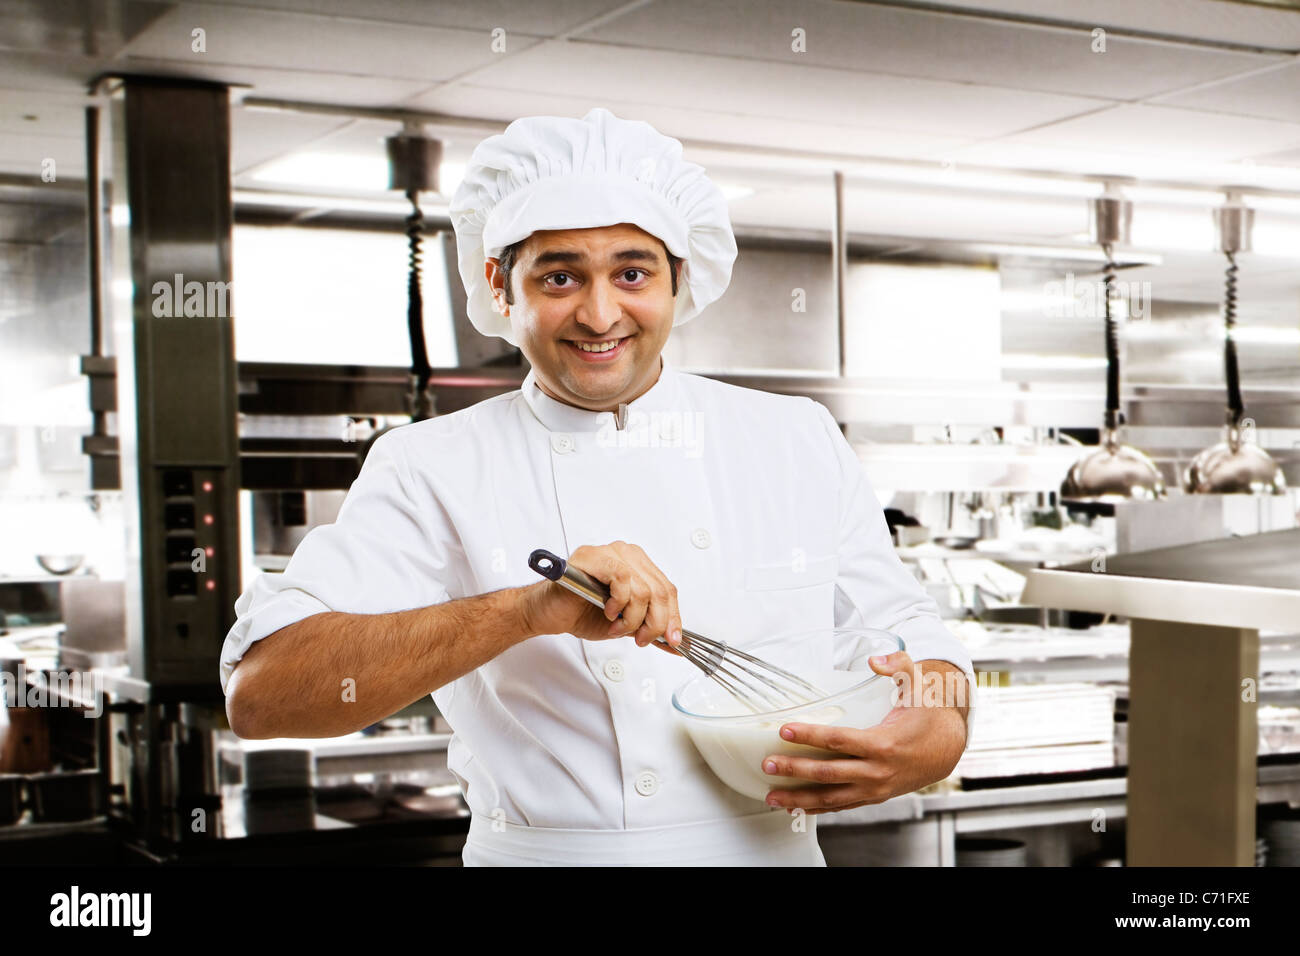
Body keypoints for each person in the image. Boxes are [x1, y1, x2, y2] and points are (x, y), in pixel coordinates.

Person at [221, 108, 975, 866]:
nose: (600, 313)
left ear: (680, 278)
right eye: (559, 276)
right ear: (500, 286)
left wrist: (941, 728)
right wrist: (525, 611)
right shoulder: (429, 465)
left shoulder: (793, 438)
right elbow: (263, 695)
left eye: (632, 273)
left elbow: (912, 636)